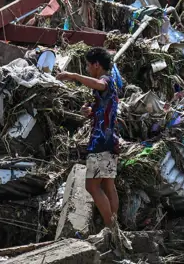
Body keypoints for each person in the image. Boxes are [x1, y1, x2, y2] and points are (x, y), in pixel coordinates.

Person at [56, 48, 126, 256]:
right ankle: (114, 229)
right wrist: (90, 111)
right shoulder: (109, 84)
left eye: (88, 65)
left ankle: (110, 228)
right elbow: (103, 107)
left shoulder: (106, 80)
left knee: (92, 186)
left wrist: (72, 76)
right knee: (107, 184)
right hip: (109, 139)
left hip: (101, 141)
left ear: (96, 64)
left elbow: (100, 85)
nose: (87, 68)